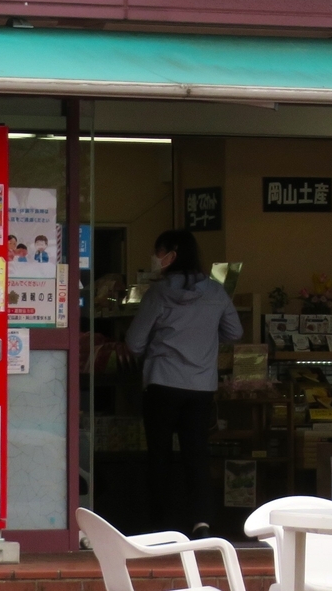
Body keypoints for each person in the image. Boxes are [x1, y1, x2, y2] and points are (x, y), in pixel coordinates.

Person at [126, 229, 242, 538]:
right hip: (201, 388)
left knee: (159, 454)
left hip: (162, 383)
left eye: (159, 251)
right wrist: (204, 339)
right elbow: (235, 332)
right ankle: (201, 521)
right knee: (196, 455)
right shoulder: (216, 293)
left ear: (172, 255)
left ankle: (161, 523)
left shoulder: (159, 294)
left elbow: (134, 342)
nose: (156, 258)